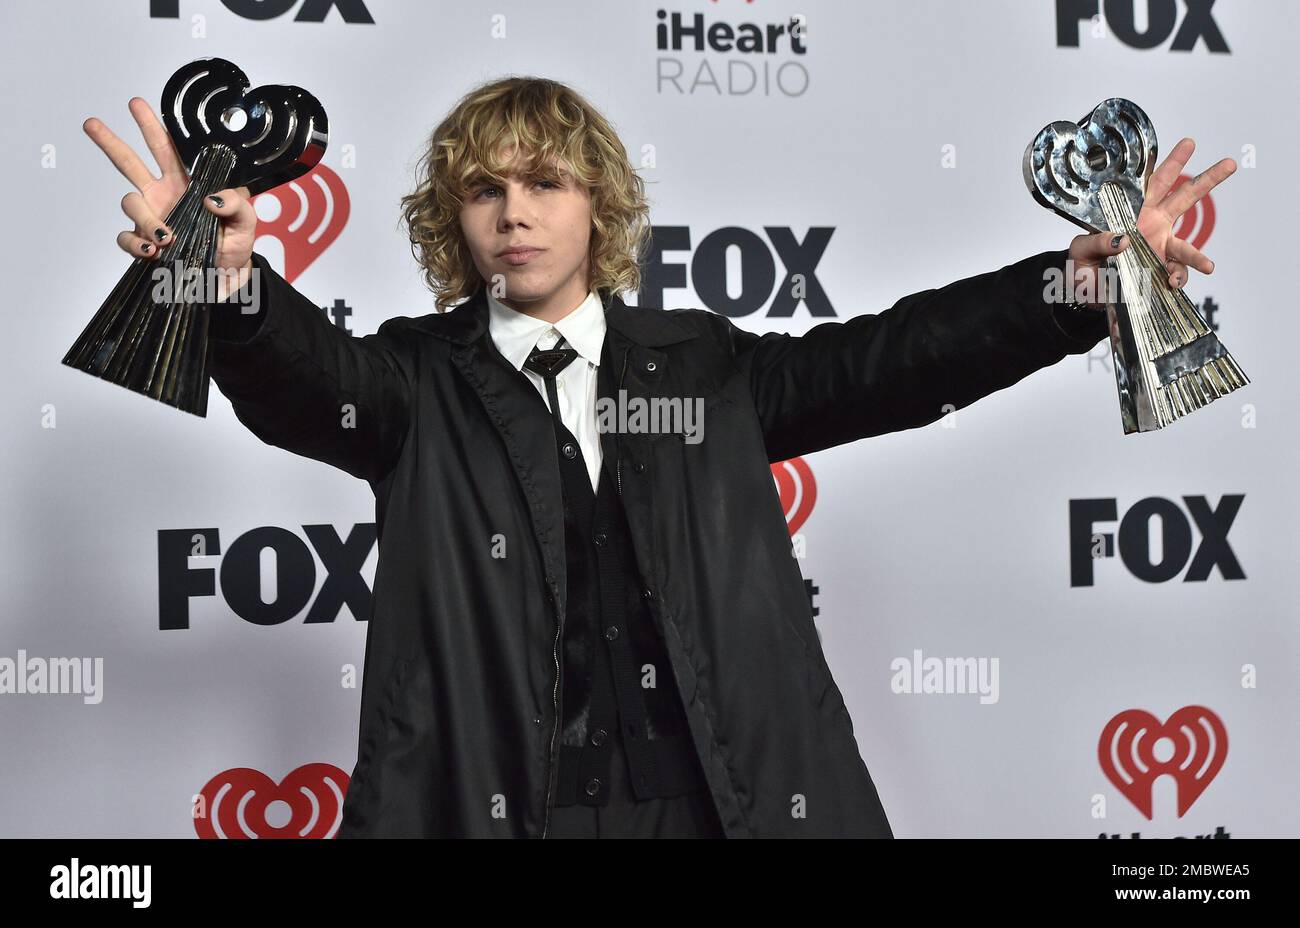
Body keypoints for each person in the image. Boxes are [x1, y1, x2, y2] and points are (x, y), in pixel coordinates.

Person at [83, 77, 1235, 838]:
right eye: (484, 191)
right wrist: (221, 277)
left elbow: (889, 359)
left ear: (600, 208)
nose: (514, 213)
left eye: (545, 184)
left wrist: (1073, 287)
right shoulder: (410, 382)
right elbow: (298, 379)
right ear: (453, 221)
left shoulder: (703, 368)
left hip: (721, 798)